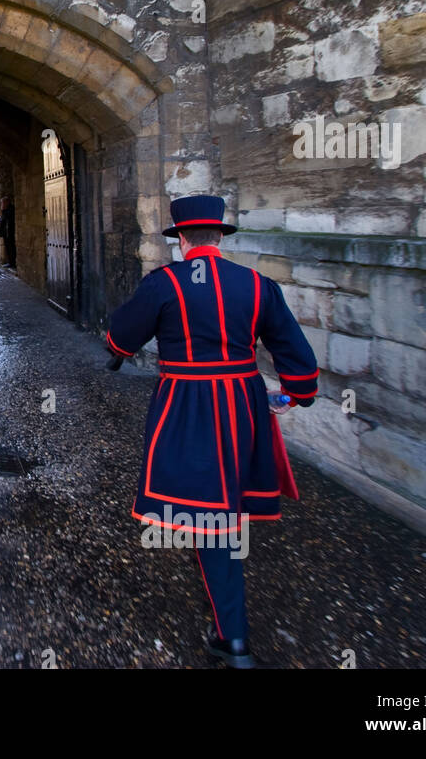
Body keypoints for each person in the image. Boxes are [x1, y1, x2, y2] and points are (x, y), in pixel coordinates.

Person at [104, 194, 318, 669]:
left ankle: (233, 639)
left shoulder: (165, 283)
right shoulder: (257, 285)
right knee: (223, 509)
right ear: (220, 236)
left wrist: (120, 338)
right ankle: (222, 608)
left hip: (187, 404)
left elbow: (120, 337)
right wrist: (296, 394)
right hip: (243, 403)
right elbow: (297, 359)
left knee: (210, 517)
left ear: (180, 238)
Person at [0, 197, 16, 268]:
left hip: (9, 232)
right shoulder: (5, 211)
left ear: (7, 203)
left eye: (3, 203)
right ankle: (10, 262)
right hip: (6, 233)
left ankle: (12, 263)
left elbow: (7, 219)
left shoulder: (10, 210)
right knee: (8, 248)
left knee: (11, 248)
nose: (2, 205)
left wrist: (3, 210)